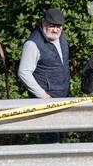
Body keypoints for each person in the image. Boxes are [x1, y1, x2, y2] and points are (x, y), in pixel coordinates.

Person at [18, 8, 71, 145]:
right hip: (46, 102)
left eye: (58, 26)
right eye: (51, 25)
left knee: (61, 138)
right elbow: (24, 72)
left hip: (63, 98)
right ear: (43, 22)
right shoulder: (33, 44)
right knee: (50, 142)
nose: (55, 29)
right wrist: (42, 95)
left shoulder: (62, 37)